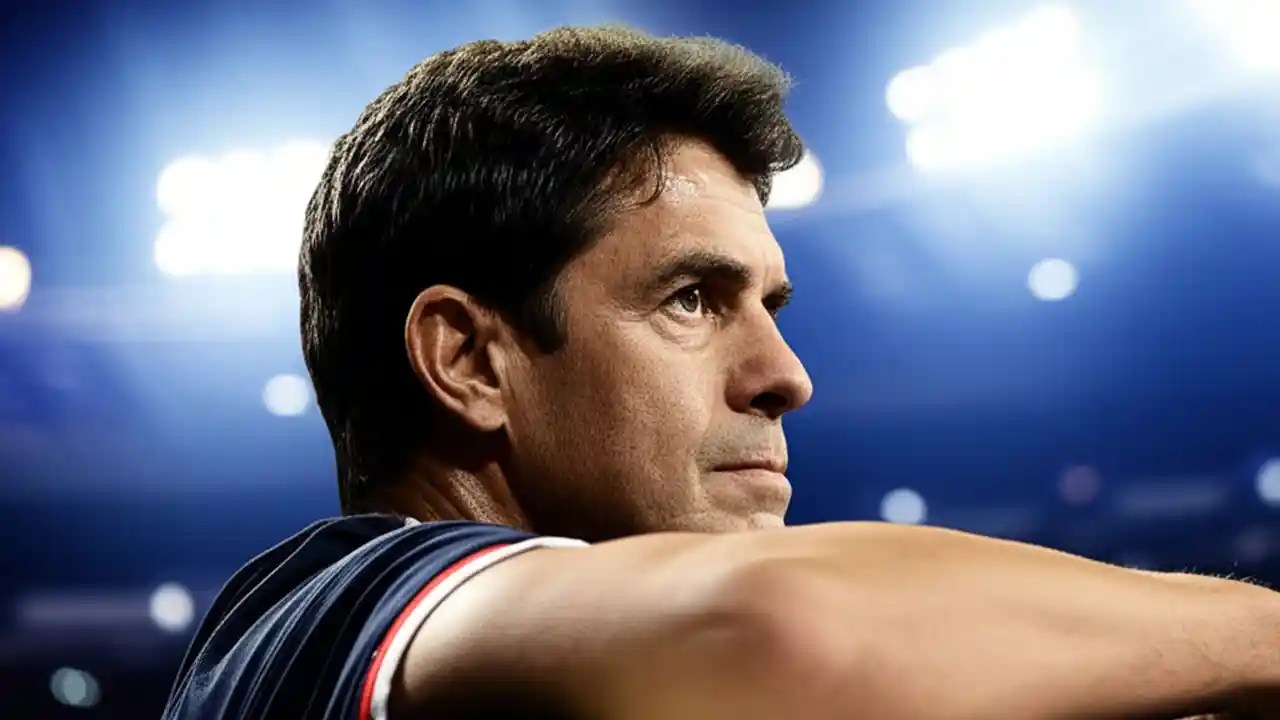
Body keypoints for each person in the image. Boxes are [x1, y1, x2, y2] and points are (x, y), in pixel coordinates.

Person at [163, 25, 1280, 720]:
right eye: (690, 299)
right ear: (468, 361)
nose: (784, 375)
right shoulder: (326, 610)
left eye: (770, 305)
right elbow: (775, 630)